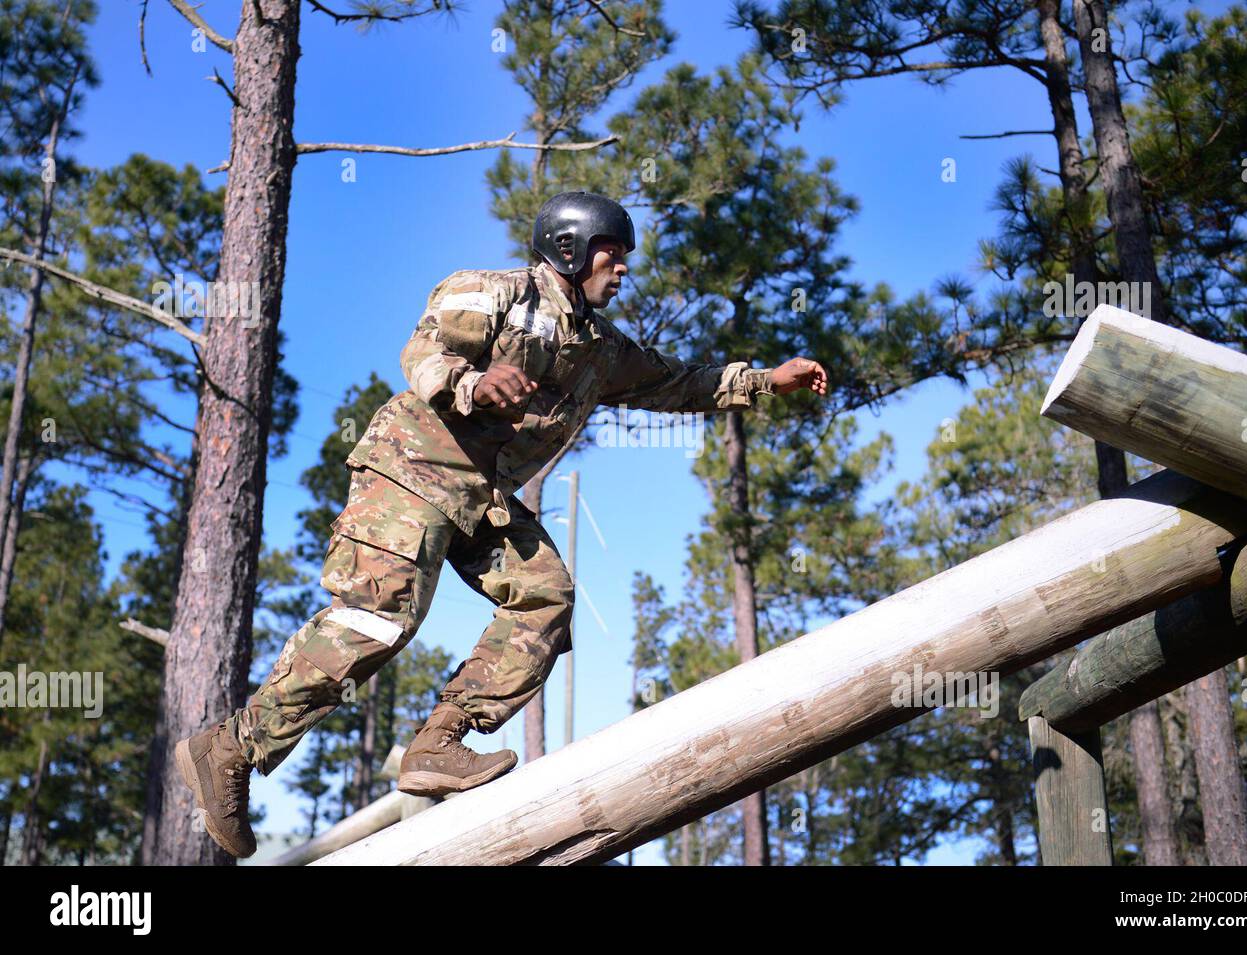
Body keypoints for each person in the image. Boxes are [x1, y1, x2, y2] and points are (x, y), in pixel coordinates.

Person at [174, 191, 829, 858]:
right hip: (415, 466)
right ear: (569, 248)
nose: (624, 268)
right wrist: (469, 385)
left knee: (545, 596)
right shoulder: (496, 292)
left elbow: (682, 381)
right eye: (613, 252)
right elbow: (425, 344)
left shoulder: (602, 351)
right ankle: (229, 749)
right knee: (379, 618)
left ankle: (439, 740)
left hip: (481, 497)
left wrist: (767, 382)